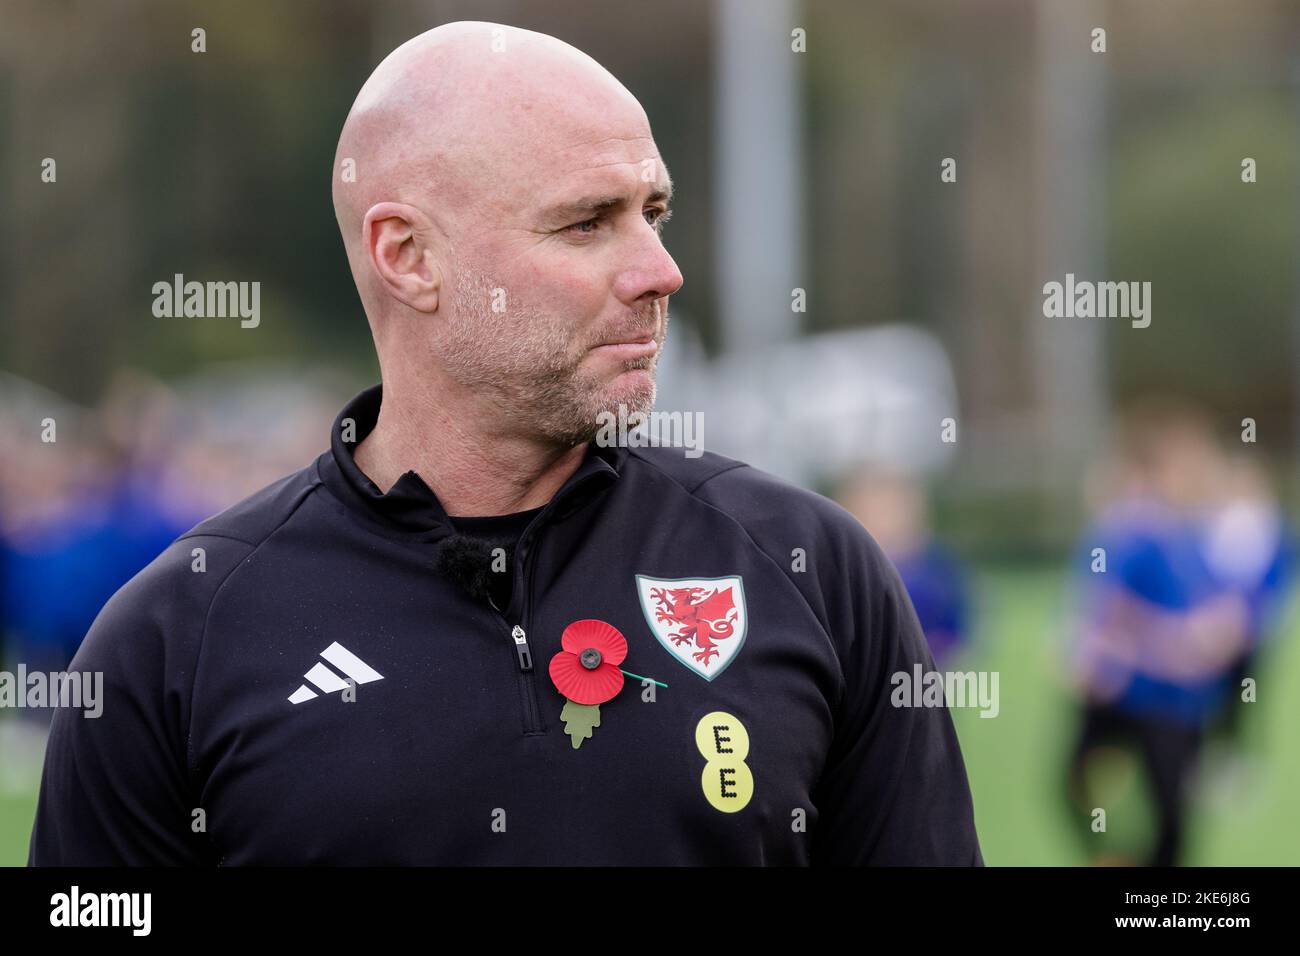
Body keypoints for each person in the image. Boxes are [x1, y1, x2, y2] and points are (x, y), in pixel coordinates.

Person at [29, 21, 981, 866]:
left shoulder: (812, 572)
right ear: (409, 257)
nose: (661, 271)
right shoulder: (172, 645)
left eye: (652, 213)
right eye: (586, 223)